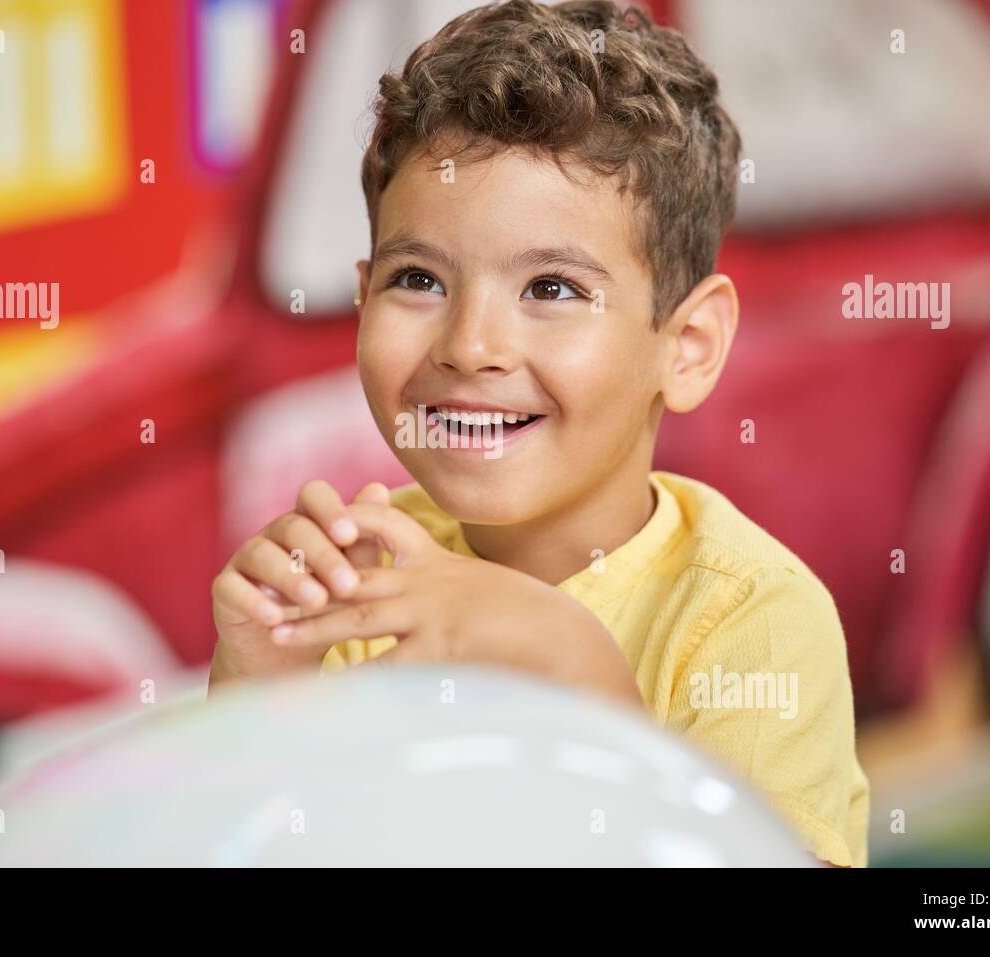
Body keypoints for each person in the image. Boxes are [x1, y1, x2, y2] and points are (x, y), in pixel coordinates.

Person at [210, 0, 868, 867]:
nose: (470, 346)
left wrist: (573, 664)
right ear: (363, 296)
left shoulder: (752, 621)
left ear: (689, 347)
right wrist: (255, 707)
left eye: (552, 289)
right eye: (418, 278)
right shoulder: (360, 592)